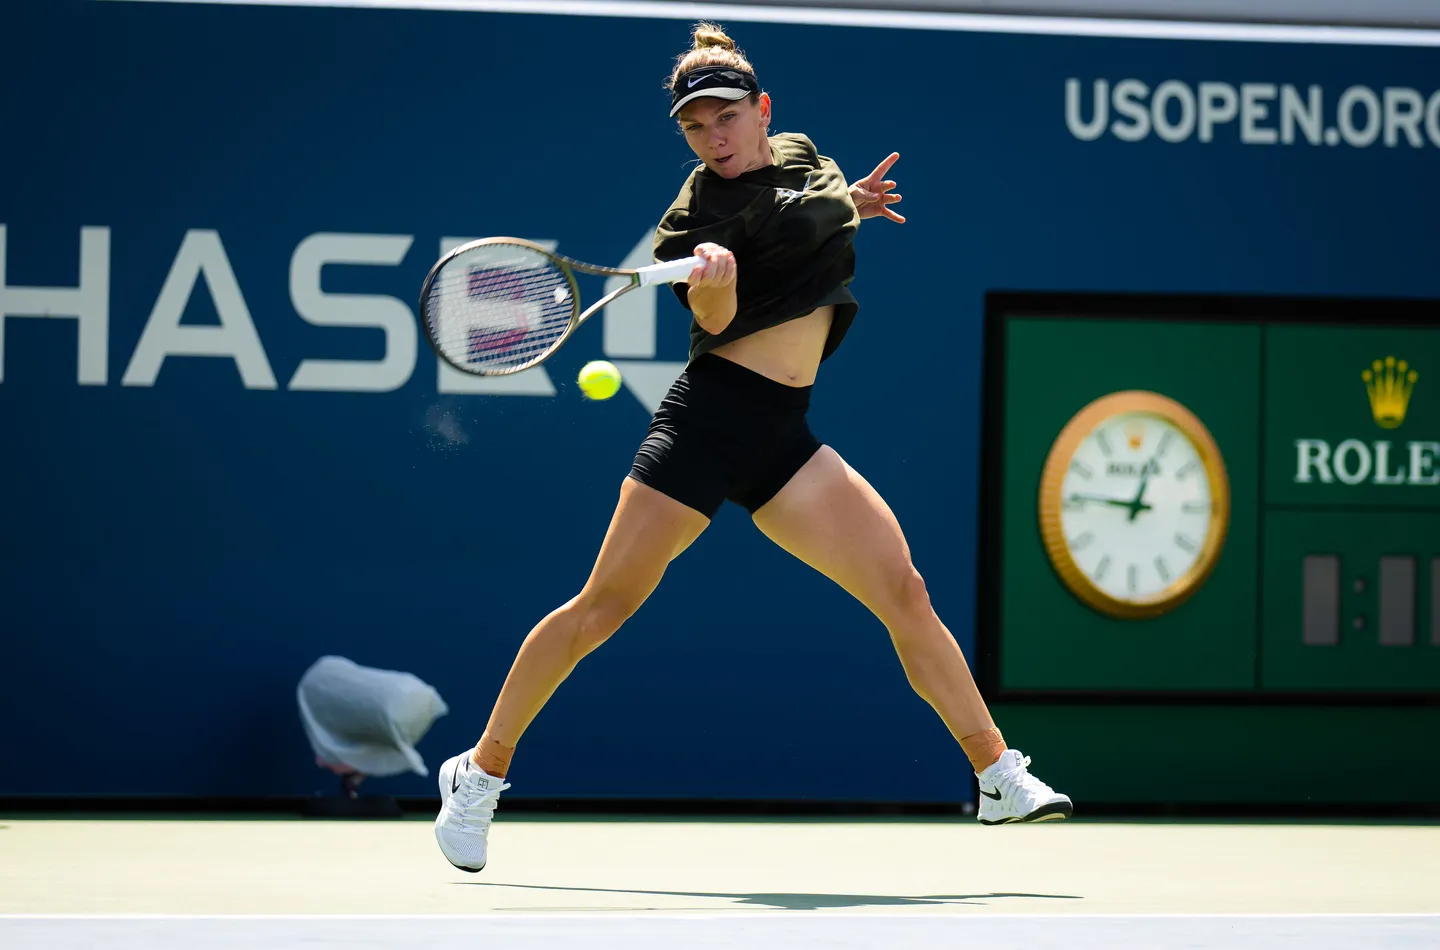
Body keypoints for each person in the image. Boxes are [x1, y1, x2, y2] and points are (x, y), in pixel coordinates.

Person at [434, 21, 1071, 873]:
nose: (714, 137)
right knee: (603, 608)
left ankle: (996, 774)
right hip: (706, 421)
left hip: (783, 437)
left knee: (903, 590)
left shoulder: (804, 158)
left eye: (726, 117)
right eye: (695, 128)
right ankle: (479, 773)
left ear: (762, 109)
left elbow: (806, 220)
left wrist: (847, 209)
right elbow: (719, 320)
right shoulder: (690, 218)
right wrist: (715, 287)